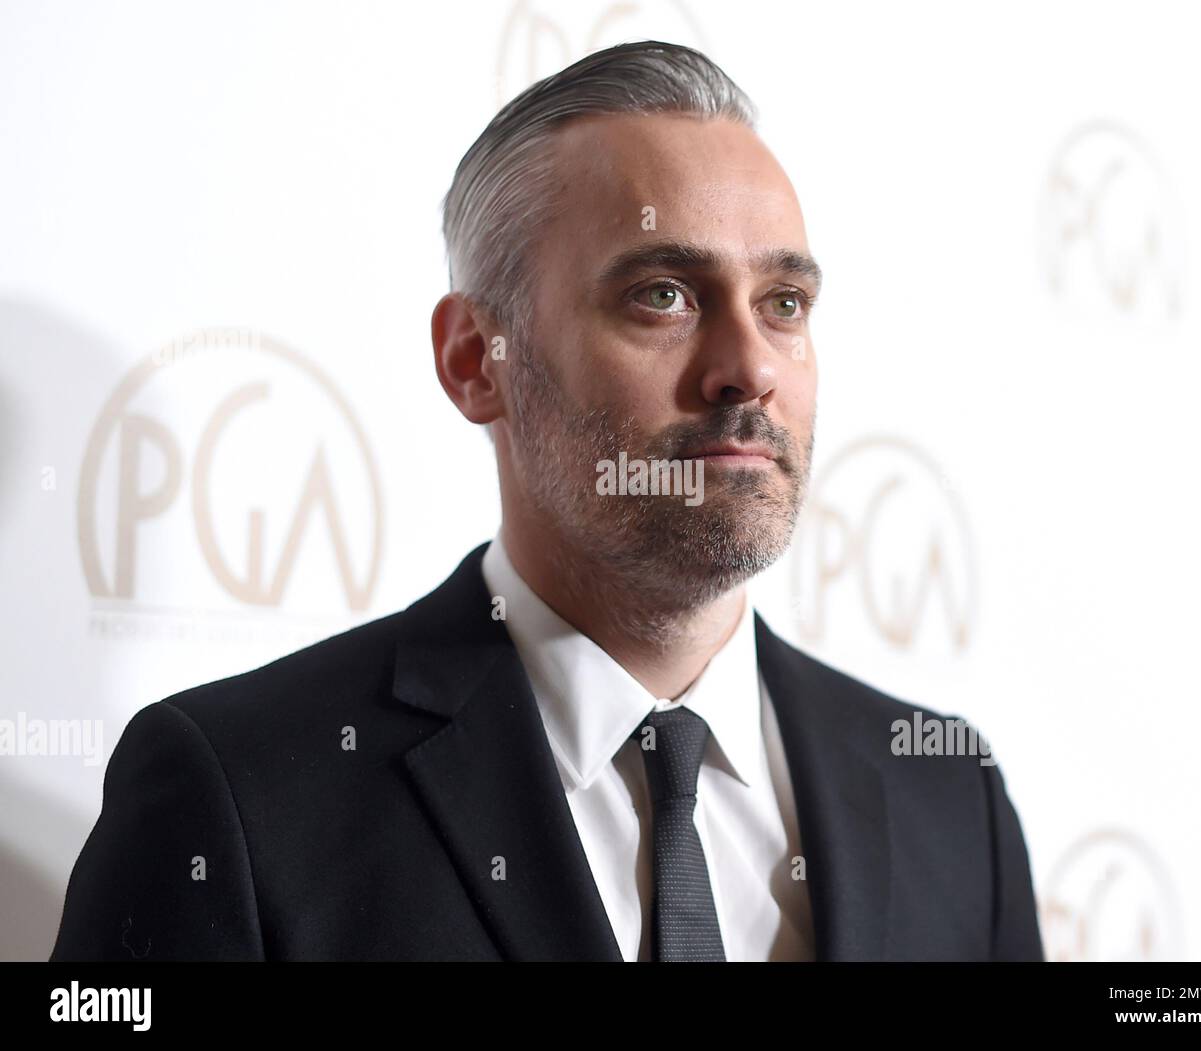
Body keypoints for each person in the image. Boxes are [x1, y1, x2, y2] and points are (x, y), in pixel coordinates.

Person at [50, 39, 1044, 962]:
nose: (748, 368)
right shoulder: (240, 793)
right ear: (476, 360)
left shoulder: (948, 794)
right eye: (662, 294)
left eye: (783, 304)